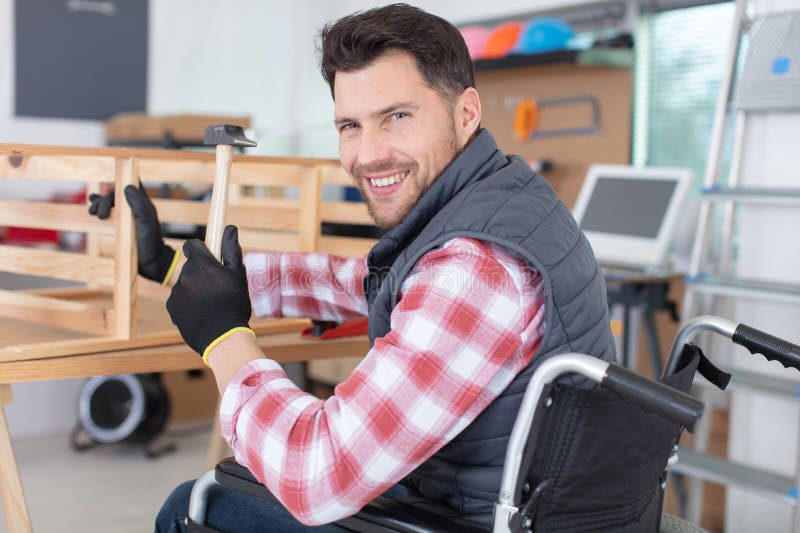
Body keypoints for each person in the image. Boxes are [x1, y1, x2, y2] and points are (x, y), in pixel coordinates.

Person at [91, 4, 614, 532]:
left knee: (194, 505)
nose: (369, 155)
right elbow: (362, 283)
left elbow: (316, 478)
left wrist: (223, 339)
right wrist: (178, 266)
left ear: (466, 113)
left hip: (468, 519)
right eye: (350, 125)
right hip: (488, 505)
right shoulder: (500, 201)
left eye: (397, 117)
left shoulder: (478, 270)